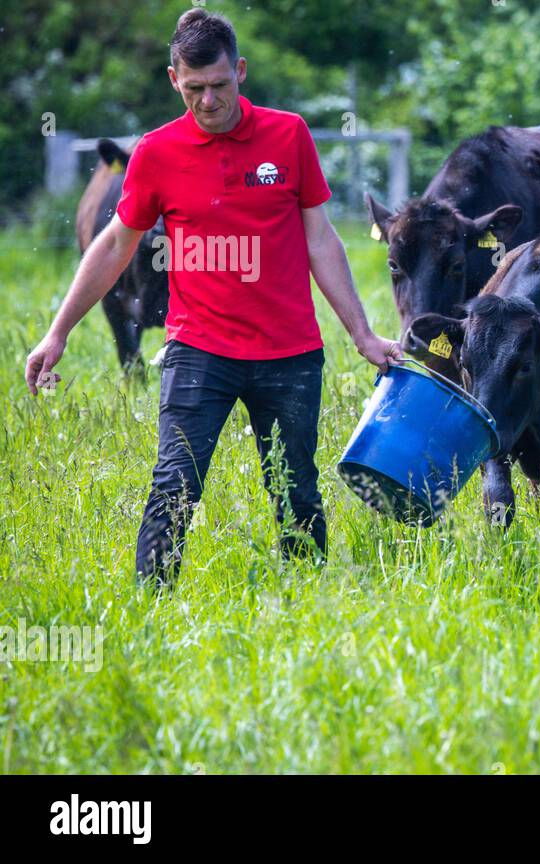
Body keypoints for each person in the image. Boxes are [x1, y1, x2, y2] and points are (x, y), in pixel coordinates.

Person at [23, 8, 402, 585]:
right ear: (173, 78)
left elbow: (320, 241)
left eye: (219, 85)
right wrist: (59, 331)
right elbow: (115, 245)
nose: (207, 101)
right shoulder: (156, 152)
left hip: (289, 353)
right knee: (175, 482)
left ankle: (307, 607)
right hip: (200, 351)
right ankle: (152, 605)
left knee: (295, 486)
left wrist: (362, 334)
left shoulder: (289, 135)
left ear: (241, 72)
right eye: (193, 88)